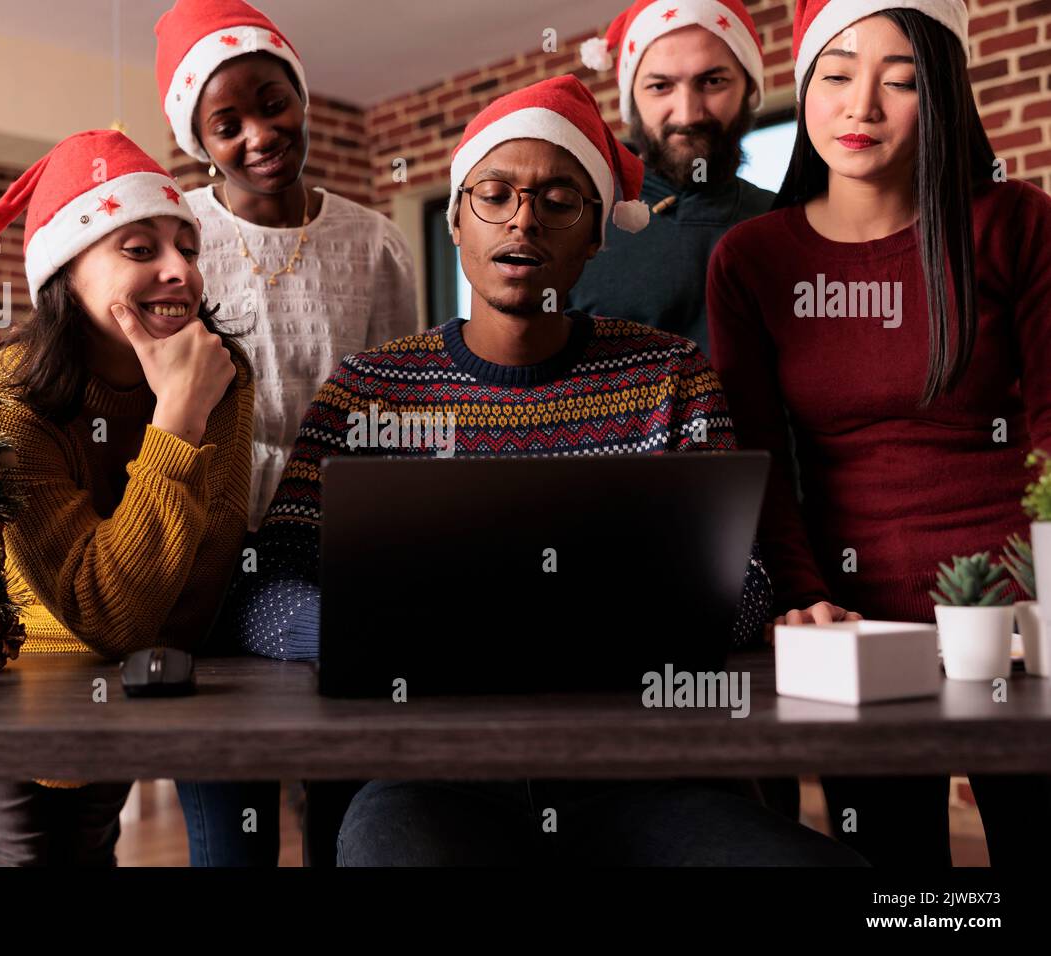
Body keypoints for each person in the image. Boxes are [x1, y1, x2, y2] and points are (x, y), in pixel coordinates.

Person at [229, 75, 865, 866]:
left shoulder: (669, 374)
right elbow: (264, 582)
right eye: (494, 194)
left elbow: (748, 590)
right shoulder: (368, 389)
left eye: (560, 200)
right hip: (429, 779)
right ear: (458, 219)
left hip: (648, 776)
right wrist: (355, 634)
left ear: (597, 236)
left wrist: (570, 627)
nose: (524, 219)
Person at [707, 0, 1051, 866]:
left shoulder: (1015, 222)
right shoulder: (751, 259)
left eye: (899, 81)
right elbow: (758, 454)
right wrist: (800, 594)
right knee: (895, 874)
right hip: (854, 624)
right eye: (837, 74)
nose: (860, 106)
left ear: (941, 98)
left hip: (1020, 616)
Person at [153, 0, 418, 867]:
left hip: (346, 553)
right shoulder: (179, 240)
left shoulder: (374, 242)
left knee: (349, 821)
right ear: (199, 140)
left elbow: (398, 399)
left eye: (275, 103)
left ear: (302, 98)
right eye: (227, 124)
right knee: (230, 838)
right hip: (207, 559)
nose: (260, 134)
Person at [0, 129, 253, 865]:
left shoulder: (219, 373)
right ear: (65, 275)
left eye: (188, 246)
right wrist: (176, 418)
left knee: (85, 853)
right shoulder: (10, 401)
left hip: (126, 678)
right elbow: (104, 608)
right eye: (140, 250)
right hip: (3, 673)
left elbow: (207, 567)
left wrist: (137, 650)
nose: (180, 271)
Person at [571, 0, 773, 352]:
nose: (688, 114)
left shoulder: (793, 221)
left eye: (713, 81)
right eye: (660, 86)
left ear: (750, 88)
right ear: (630, 102)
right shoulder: (576, 232)